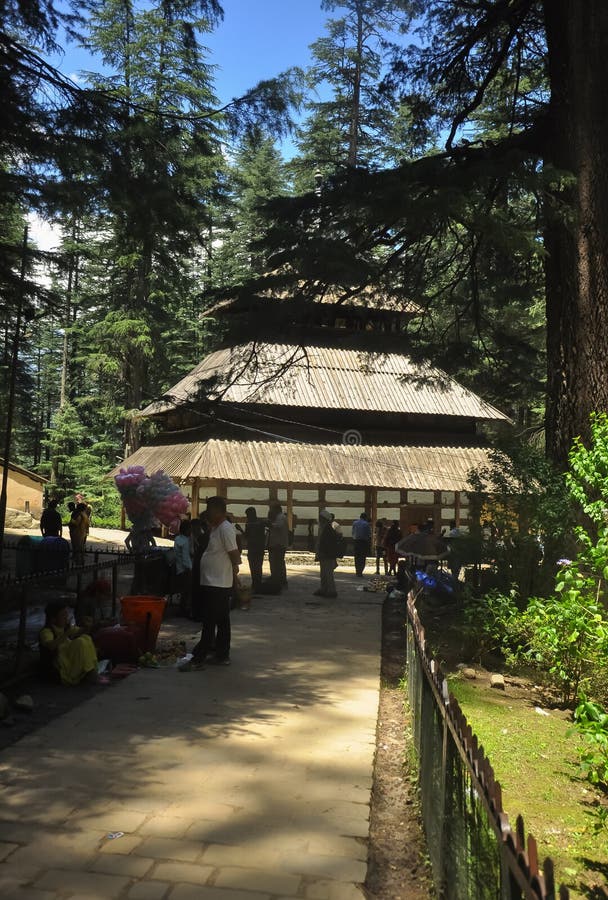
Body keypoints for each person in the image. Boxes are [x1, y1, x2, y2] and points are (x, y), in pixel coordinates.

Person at [180, 496, 240, 670]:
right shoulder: (216, 528)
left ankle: (198, 659)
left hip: (218, 582)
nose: (207, 513)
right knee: (221, 620)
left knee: (210, 621)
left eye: (209, 509)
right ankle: (222, 654)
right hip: (214, 580)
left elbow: (234, 554)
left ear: (217, 510)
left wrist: (235, 574)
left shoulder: (225, 529)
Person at [39, 600, 98, 685]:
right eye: (63, 615)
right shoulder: (46, 631)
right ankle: (85, 673)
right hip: (60, 666)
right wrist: (66, 634)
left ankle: (91, 670)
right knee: (80, 642)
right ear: (53, 619)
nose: (66, 617)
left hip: (70, 660)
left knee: (86, 638)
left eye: (66, 614)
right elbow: (51, 646)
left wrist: (87, 626)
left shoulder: (66, 628)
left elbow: (81, 632)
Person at [314, 509, 339, 598]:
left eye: (321, 518)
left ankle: (331, 591)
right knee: (324, 573)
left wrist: (323, 552)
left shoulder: (328, 529)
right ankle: (324, 588)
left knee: (328, 573)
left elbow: (327, 543)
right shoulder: (324, 527)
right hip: (323, 553)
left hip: (327, 554)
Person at [244, 507, 266, 594]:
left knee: (253, 567)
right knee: (258, 567)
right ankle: (258, 585)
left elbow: (246, 536)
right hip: (260, 548)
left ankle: (255, 584)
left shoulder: (249, 523)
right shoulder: (261, 522)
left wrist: (240, 529)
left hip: (252, 548)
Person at [267, 502, 289, 590]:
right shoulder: (278, 517)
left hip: (279, 544)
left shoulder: (281, 517)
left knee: (279, 563)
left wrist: (269, 524)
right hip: (276, 544)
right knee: (275, 562)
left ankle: (281, 580)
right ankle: (276, 578)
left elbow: (278, 526)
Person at [174, 519, 193, 615]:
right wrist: (189, 568)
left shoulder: (177, 539)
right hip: (185, 569)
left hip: (178, 568)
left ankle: (182, 608)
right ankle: (184, 609)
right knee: (186, 590)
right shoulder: (185, 542)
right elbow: (186, 557)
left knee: (183, 590)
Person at [352, 512, 371, 577]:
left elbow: (353, 532)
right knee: (362, 557)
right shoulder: (366, 524)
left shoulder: (355, 523)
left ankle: (357, 570)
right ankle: (360, 571)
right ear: (365, 517)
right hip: (363, 542)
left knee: (357, 557)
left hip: (356, 541)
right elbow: (368, 534)